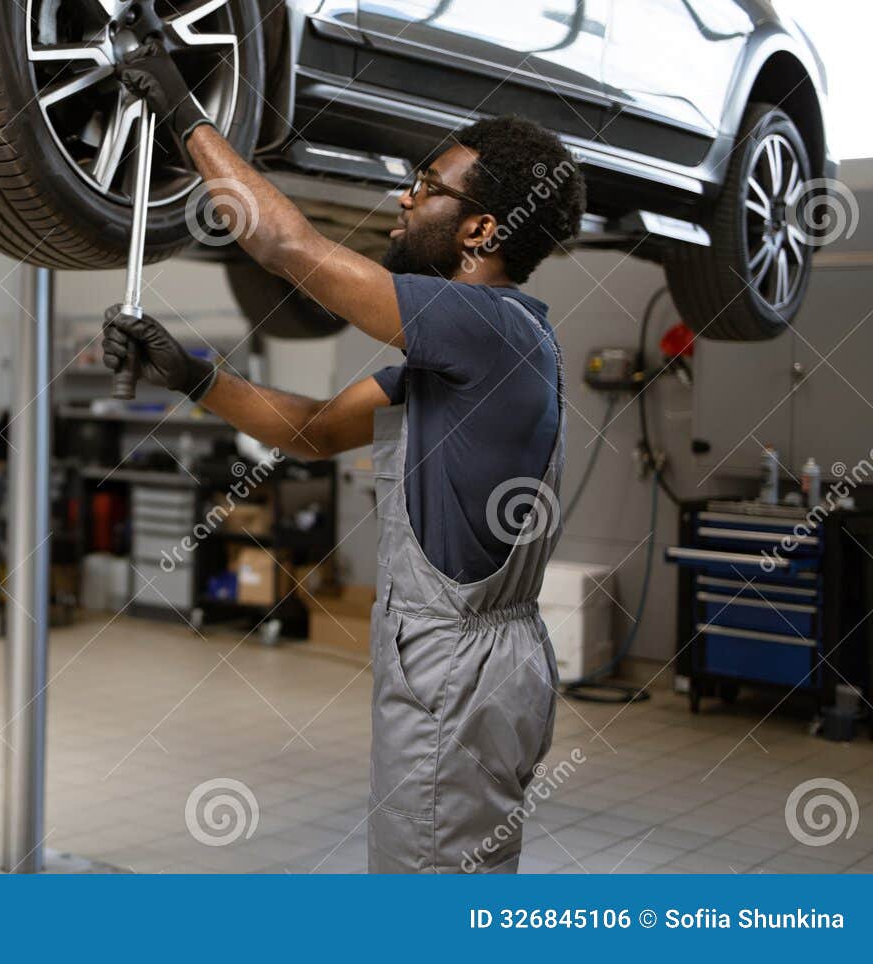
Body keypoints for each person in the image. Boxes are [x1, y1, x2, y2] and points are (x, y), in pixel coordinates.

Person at [105, 45, 586, 873]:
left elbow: (288, 247)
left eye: (428, 186)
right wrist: (191, 376)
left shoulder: (488, 327)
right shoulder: (483, 352)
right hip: (477, 662)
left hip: (456, 669)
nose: (406, 198)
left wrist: (187, 115)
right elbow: (317, 430)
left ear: (481, 230)